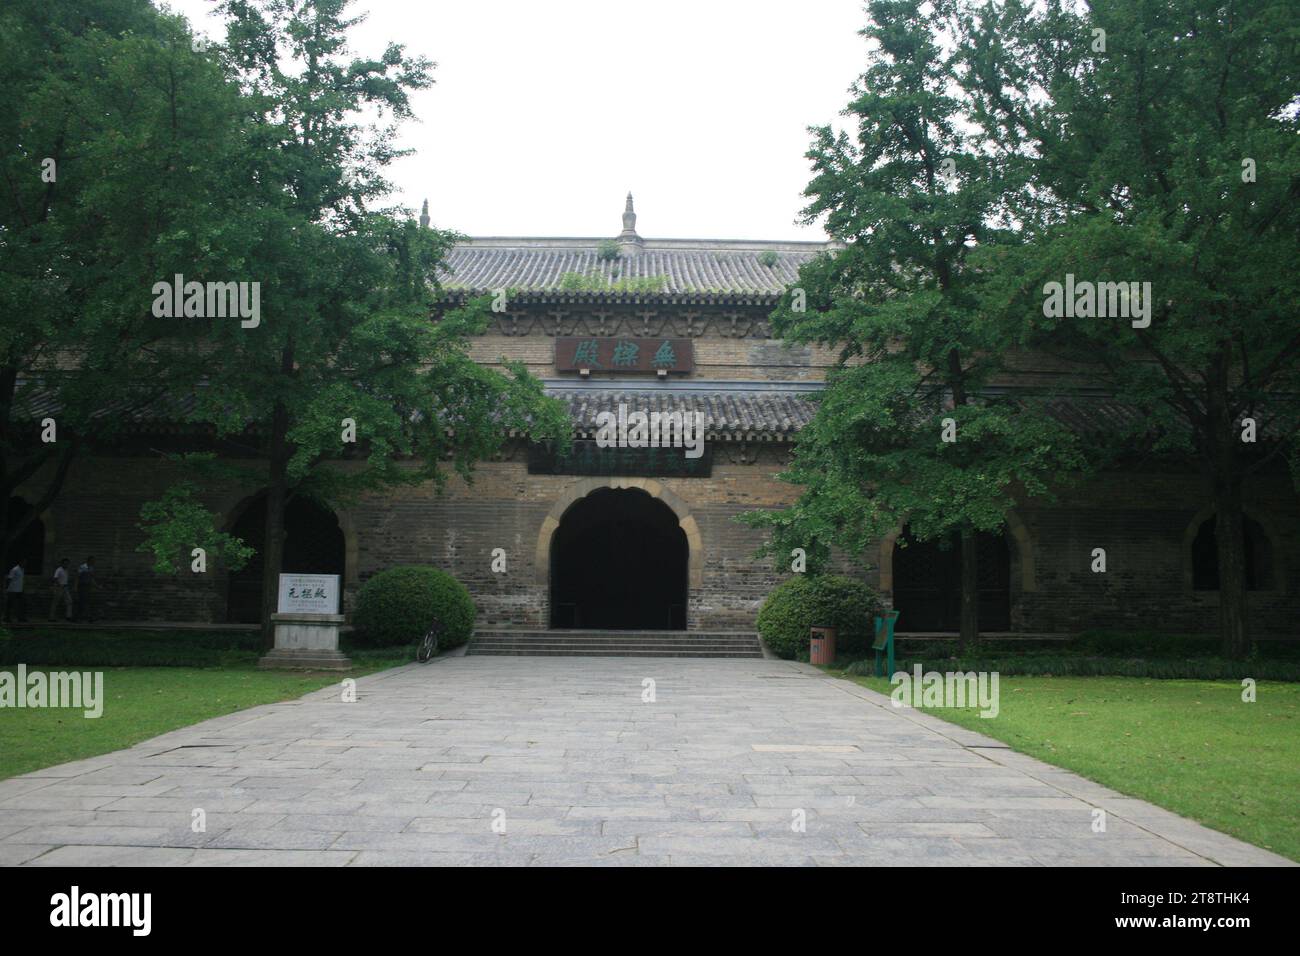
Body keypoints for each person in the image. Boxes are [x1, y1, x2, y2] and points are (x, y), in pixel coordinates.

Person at [48, 557, 73, 622]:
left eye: (67, 563)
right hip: (59, 587)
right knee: (55, 602)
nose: (66, 565)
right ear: (62, 563)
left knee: (69, 601)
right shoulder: (59, 570)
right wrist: (59, 585)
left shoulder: (66, 570)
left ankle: (68, 616)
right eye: (65, 563)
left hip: (65, 587)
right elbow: (55, 578)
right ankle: (51, 618)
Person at [4, 558, 27, 623]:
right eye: (24, 562)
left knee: (22, 604)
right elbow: (9, 579)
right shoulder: (15, 569)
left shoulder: (22, 569)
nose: (25, 564)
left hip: (19, 590)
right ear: (20, 562)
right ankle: (7, 618)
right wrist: (6, 588)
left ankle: (21, 618)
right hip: (12, 590)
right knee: (10, 605)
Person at [75, 556, 96, 623]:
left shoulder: (92, 568)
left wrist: (96, 586)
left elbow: (91, 578)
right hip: (82, 586)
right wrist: (75, 587)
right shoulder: (82, 567)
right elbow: (77, 577)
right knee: (82, 602)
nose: (94, 562)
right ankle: (78, 618)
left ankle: (88, 617)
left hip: (88, 587)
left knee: (87, 602)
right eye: (93, 560)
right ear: (89, 560)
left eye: (94, 561)